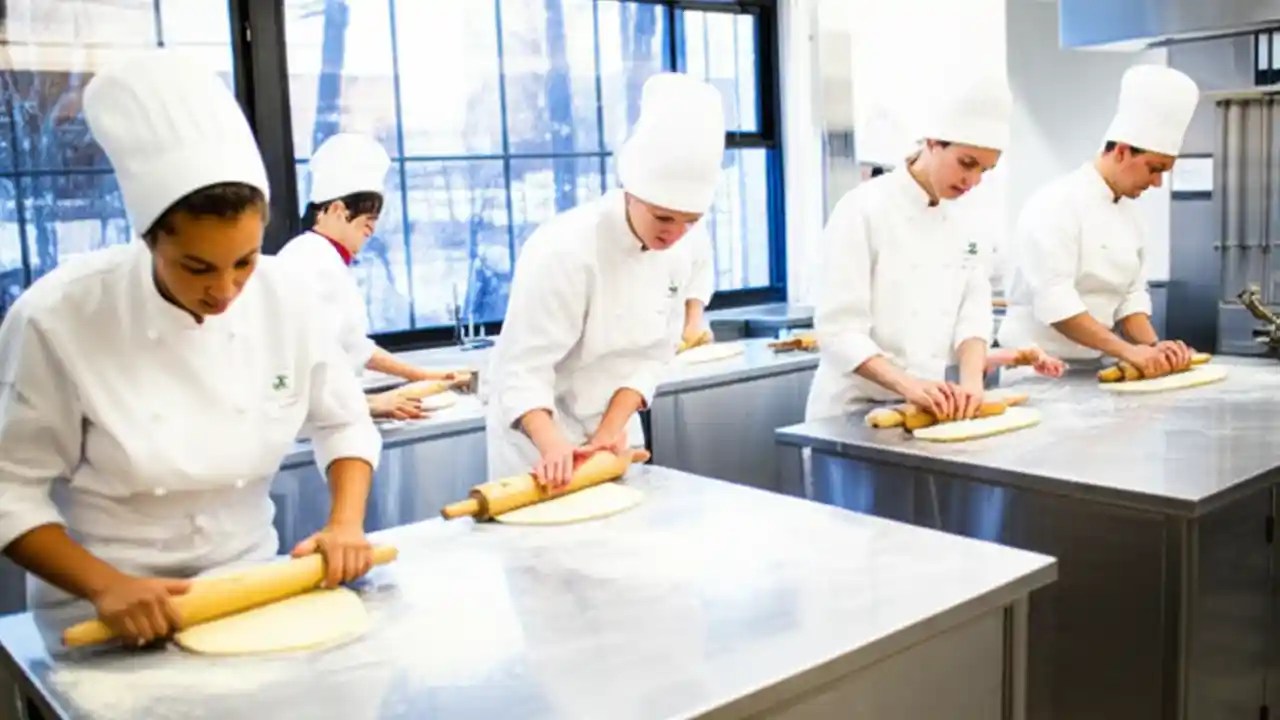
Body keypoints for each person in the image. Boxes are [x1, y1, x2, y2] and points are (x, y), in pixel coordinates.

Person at [0, 54, 381, 647]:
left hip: (250, 590)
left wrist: (345, 523)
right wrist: (103, 585)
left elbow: (344, 421)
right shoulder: (60, 318)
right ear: (149, 238)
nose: (226, 289)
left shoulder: (289, 297)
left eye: (245, 261)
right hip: (103, 615)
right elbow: (9, 490)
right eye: (197, 267)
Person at [485, 72, 725, 487]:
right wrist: (554, 445)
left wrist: (609, 432)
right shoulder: (564, 249)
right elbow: (522, 368)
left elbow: (653, 355)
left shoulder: (682, 247)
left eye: (690, 221)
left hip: (612, 437)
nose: (674, 233)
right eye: (663, 217)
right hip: (539, 441)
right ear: (629, 192)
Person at [805, 71, 1014, 422]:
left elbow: (973, 313)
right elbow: (838, 330)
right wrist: (908, 385)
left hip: (924, 411)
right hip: (851, 412)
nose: (973, 181)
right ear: (932, 142)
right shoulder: (863, 209)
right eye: (967, 164)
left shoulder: (969, 219)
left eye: (985, 170)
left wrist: (971, 385)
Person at [998, 65, 1200, 378]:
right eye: (1154, 168)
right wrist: (1128, 351)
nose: (1158, 183)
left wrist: (1156, 347)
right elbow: (1056, 302)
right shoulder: (1056, 204)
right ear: (1121, 151)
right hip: (1038, 370)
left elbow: (1130, 299)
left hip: (1096, 368)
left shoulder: (1132, 217)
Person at [279, 133, 466, 421]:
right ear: (338, 210)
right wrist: (371, 403)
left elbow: (354, 346)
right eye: (368, 222)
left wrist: (424, 375)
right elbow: (300, 365)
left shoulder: (324, 259)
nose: (371, 232)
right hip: (313, 419)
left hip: (333, 411)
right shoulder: (308, 262)